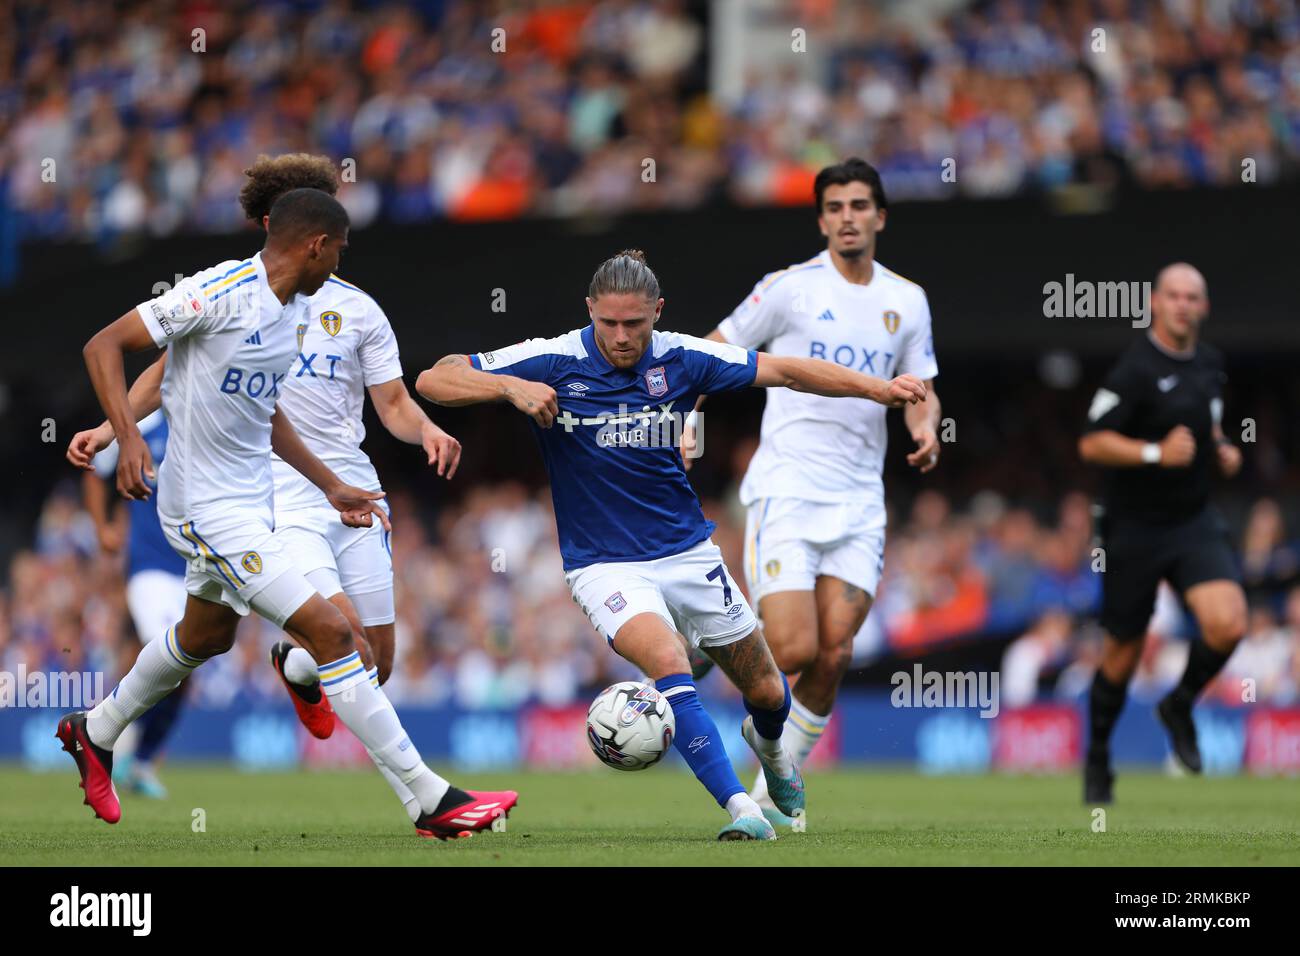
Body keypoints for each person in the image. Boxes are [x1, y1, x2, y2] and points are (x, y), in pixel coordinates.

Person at [417, 249, 926, 840]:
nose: (621, 336)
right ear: (590, 311)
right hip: (603, 565)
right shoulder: (554, 357)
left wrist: (877, 388)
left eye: (635, 323)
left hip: (688, 553)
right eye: (608, 323)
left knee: (767, 691)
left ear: (657, 312)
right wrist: (508, 387)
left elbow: (786, 370)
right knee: (669, 662)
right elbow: (435, 377)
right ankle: (743, 810)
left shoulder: (687, 357)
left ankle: (770, 747)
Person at [61, 187, 516, 838]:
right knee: (333, 635)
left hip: (252, 503)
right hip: (204, 510)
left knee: (207, 637)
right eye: (340, 251)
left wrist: (331, 486)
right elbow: (104, 345)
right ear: (316, 245)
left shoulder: (287, 318)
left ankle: (95, 729)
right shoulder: (217, 292)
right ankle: (431, 801)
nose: (341, 264)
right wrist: (124, 435)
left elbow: (267, 416)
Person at [682, 158, 941, 823]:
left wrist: (924, 425)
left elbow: (920, 386)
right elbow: (715, 349)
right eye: (835, 207)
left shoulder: (906, 300)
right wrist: (689, 411)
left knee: (837, 650)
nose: (847, 217)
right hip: (788, 489)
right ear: (822, 218)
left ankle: (776, 780)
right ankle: (708, 637)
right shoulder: (789, 289)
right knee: (793, 649)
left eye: (859, 205)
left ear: (880, 216)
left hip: (860, 500)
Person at [1078, 262, 1246, 803]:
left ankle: (1179, 703)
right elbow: (1091, 442)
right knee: (1123, 655)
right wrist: (1154, 452)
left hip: (1193, 522)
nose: (1181, 305)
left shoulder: (1211, 364)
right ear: (1154, 303)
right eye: (1172, 295)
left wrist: (1221, 449)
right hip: (1133, 528)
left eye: (1191, 296)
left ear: (1204, 307)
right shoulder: (1134, 369)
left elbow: (1209, 422)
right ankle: (1099, 757)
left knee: (1228, 624)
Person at [82, 410, 187, 798]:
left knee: (185, 671)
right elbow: (95, 471)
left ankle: (138, 759)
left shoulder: (207, 413)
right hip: (150, 569)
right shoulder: (142, 423)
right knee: (167, 651)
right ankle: (102, 737)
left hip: (198, 570)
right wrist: (102, 528)